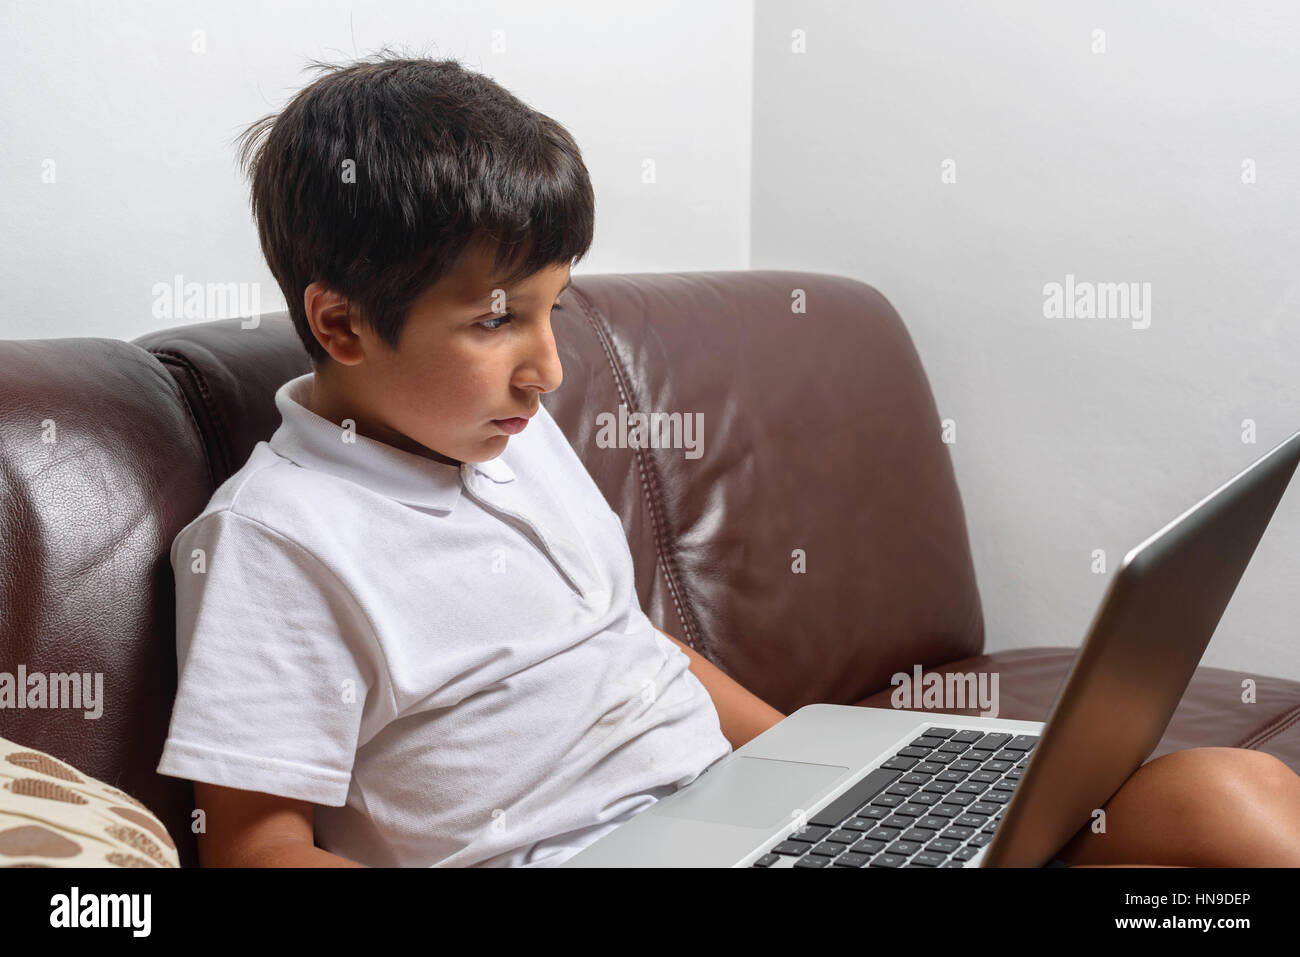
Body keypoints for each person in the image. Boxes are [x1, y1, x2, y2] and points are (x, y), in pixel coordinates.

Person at [155, 51, 1300, 868]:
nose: (547, 370)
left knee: (1227, 798)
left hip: (746, 821)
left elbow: (632, 641)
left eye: (558, 312)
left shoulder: (506, 435)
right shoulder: (274, 543)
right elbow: (256, 843)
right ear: (345, 325)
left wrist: (839, 766)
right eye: (498, 322)